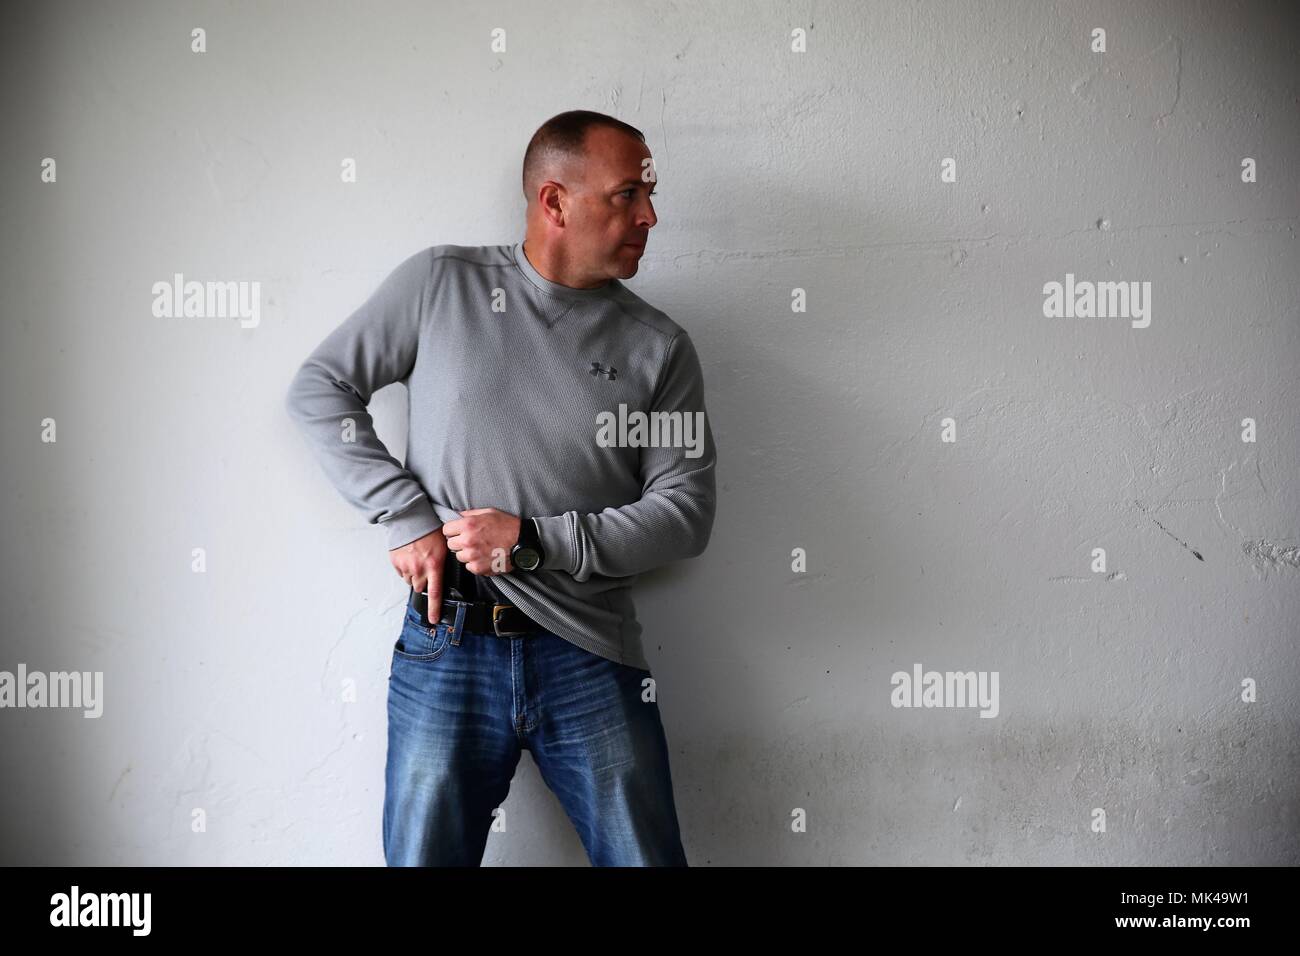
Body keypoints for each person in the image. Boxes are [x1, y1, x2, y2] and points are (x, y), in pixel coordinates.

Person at [283, 109, 717, 866]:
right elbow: (321, 387)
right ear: (554, 201)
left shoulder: (660, 348)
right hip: (447, 643)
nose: (650, 215)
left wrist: (538, 541)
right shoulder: (440, 285)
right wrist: (404, 515)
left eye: (650, 195)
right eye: (626, 195)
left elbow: (684, 515)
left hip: (591, 652)